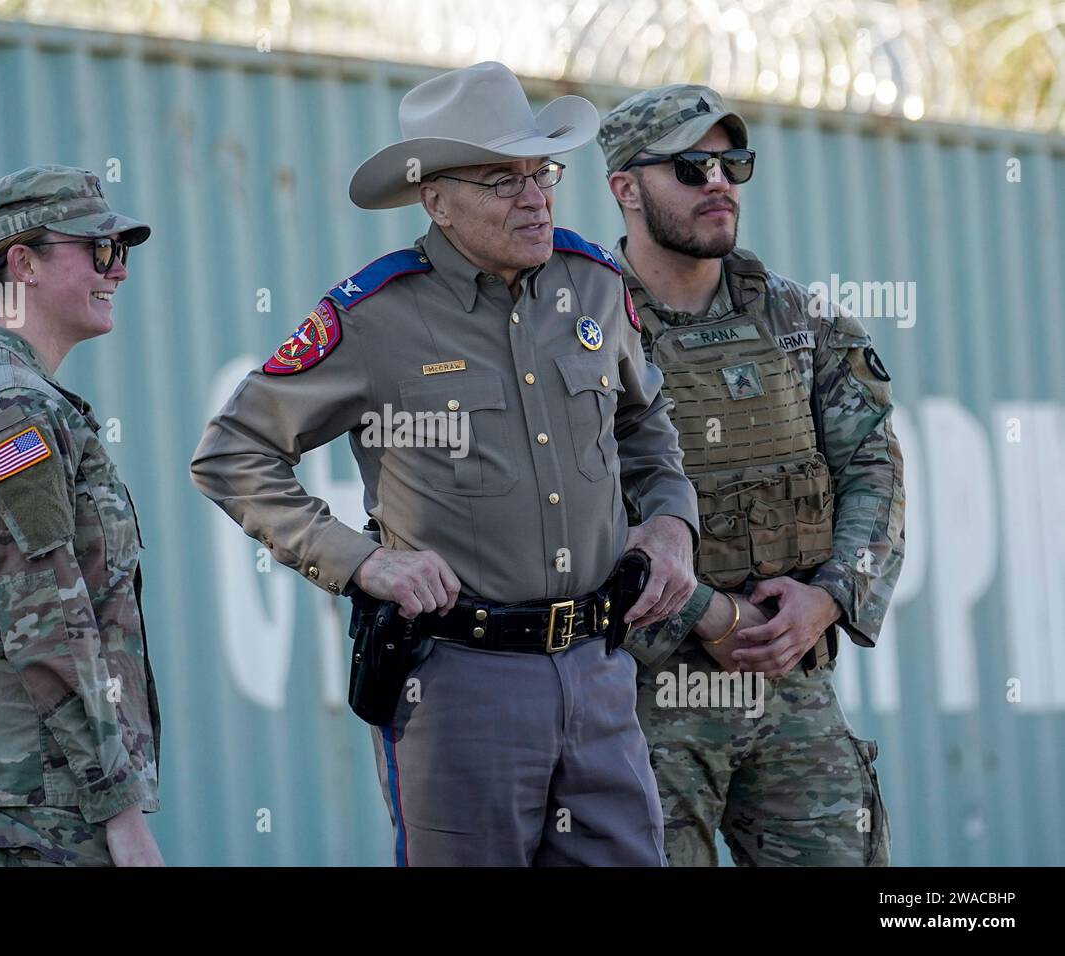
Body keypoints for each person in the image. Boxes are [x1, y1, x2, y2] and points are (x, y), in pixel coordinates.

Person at [191, 62, 700, 866]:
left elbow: (645, 423)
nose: (535, 198)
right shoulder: (375, 315)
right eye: (503, 179)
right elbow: (232, 454)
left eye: (544, 173)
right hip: (461, 685)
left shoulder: (595, 286)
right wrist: (362, 564)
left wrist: (672, 523)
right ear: (435, 199)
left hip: (601, 674)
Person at [598, 85, 905, 866]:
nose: (720, 184)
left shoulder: (803, 323)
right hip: (649, 696)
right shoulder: (583, 338)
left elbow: (873, 468)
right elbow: (564, 509)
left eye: (733, 163)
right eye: (692, 167)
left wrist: (829, 596)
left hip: (793, 681)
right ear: (625, 187)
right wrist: (704, 615)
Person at [0, 164, 164, 867]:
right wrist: (121, 811)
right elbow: (45, 617)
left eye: (123, 253)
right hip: (37, 794)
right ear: (23, 261)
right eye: (100, 250)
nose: (118, 272)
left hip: (36, 786)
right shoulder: (9, 406)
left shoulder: (12, 395)